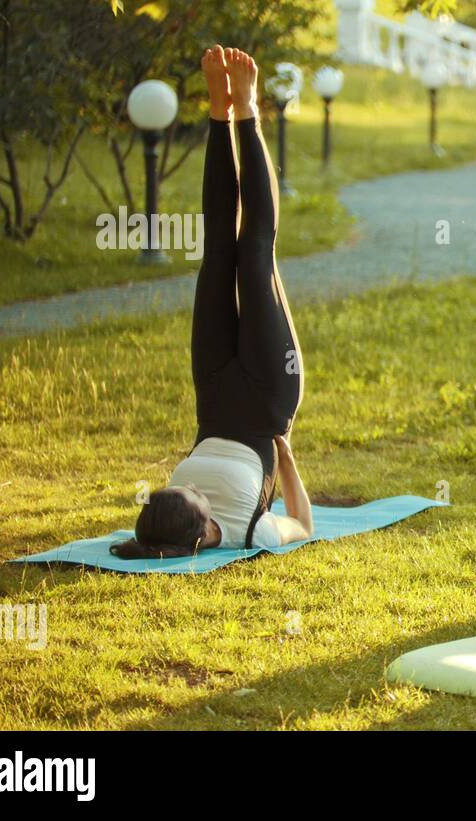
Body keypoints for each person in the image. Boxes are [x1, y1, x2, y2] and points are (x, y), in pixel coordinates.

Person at [112, 46, 312, 558]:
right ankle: (246, 111)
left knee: (218, 251)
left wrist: (282, 463)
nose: (196, 487)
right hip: (270, 396)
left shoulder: (167, 521)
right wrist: (285, 458)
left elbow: (302, 524)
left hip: (214, 389)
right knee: (254, 255)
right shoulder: (249, 532)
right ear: (203, 529)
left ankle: (218, 113)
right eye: (197, 497)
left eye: (184, 488)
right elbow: (301, 526)